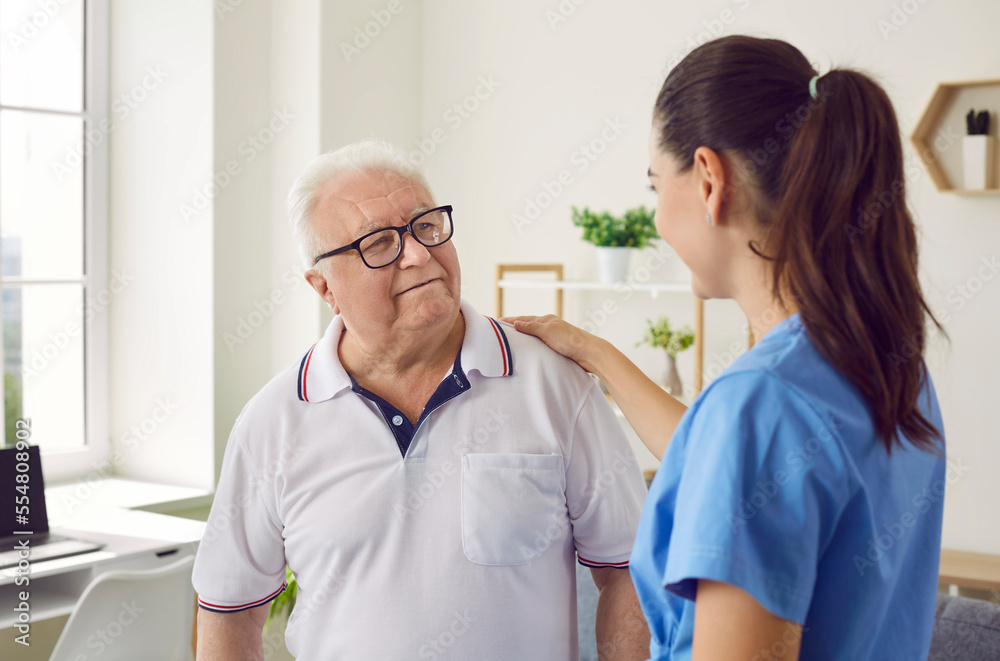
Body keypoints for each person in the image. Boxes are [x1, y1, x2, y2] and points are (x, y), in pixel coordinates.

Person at [504, 35, 947, 660]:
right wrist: (594, 352)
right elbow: (728, 466)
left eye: (656, 186)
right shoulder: (886, 364)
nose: (657, 218)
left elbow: (747, 450)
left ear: (710, 180)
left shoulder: (759, 406)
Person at [191, 140, 650, 660]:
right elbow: (229, 609)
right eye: (379, 243)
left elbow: (631, 570)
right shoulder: (272, 421)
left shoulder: (554, 382)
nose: (418, 254)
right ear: (324, 287)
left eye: (426, 226)